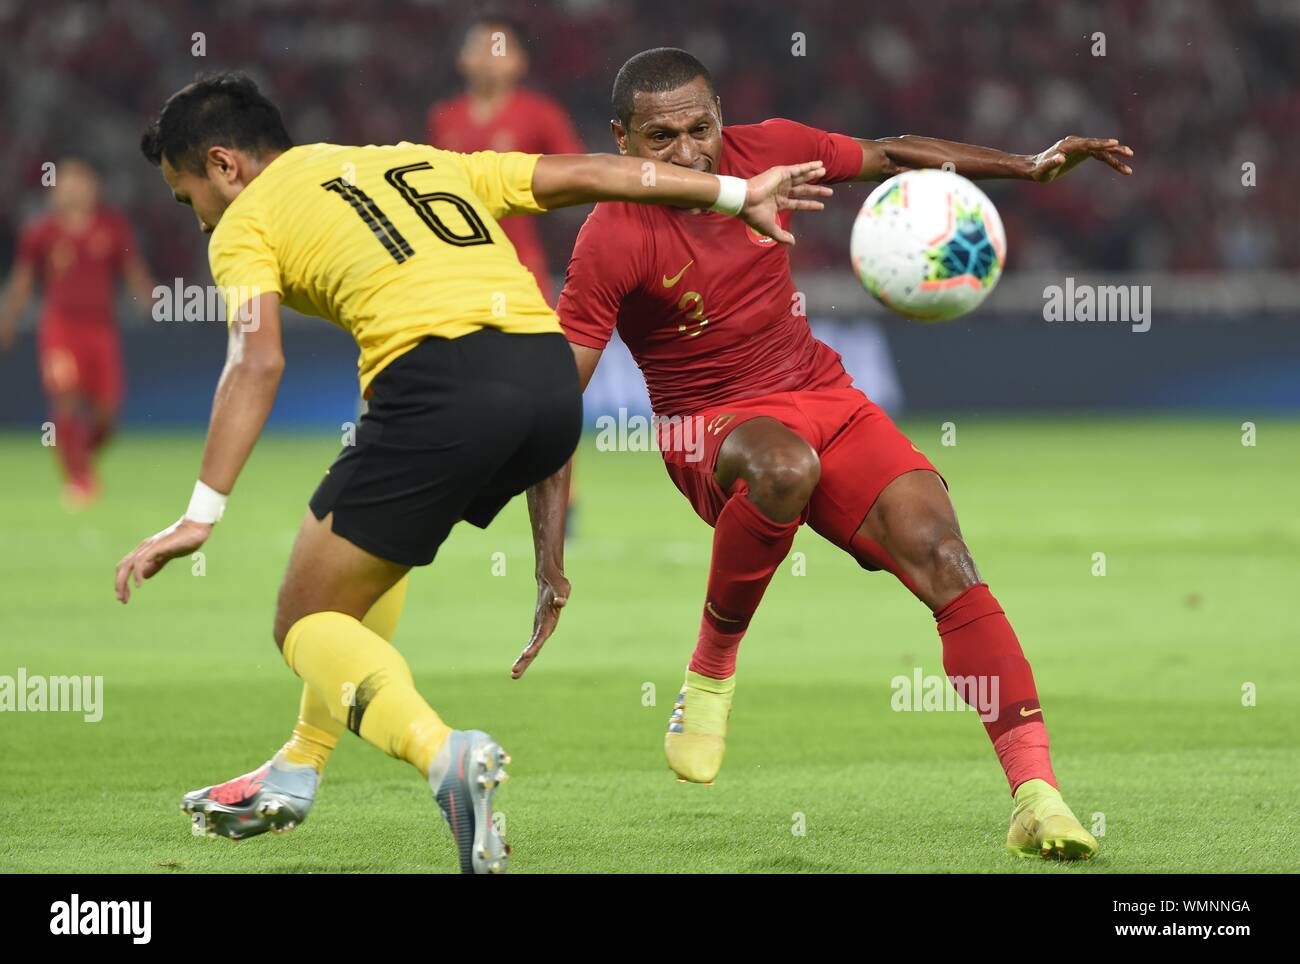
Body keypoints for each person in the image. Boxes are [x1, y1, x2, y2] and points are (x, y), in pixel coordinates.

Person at [113, 71, 829, 874]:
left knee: (302, 624)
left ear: (224, 165)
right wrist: (733, 192)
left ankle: (442, 756)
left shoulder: (245, 221)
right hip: (548, 384)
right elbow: (591, 172)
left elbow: (256, 359)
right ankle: (301, 763)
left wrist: (200, 513)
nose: (199, 215)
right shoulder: (414, 161)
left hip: (442, 388)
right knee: (361, 558)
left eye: (189, 197)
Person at [519, 48, 1134, 861]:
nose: (689, 152)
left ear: (720, 118)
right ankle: (711, 669)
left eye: (701, 128)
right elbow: (556, 402)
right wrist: (549, 561)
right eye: (661, 138)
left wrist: (1029, 164)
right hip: (709, 425)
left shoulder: (769, 149)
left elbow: (892, 151)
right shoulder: (612, 234)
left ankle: (1036, 797)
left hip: (824, 393)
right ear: (621, 140)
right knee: (783, 470)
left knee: (948, 559)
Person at [0, 158, 154, 507]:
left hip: (101, 331)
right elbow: (23, 281)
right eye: (65, 182)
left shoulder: (112, 227)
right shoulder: (41, 232)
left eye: (79, 182)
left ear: (93, 188)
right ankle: (78, 479)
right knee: (66, 398)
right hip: (60, 328)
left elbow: (132, 269)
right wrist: (8, 320)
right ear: (55, 189)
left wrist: (149, 298)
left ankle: (80, 456)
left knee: (107, 418)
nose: (72, 189)